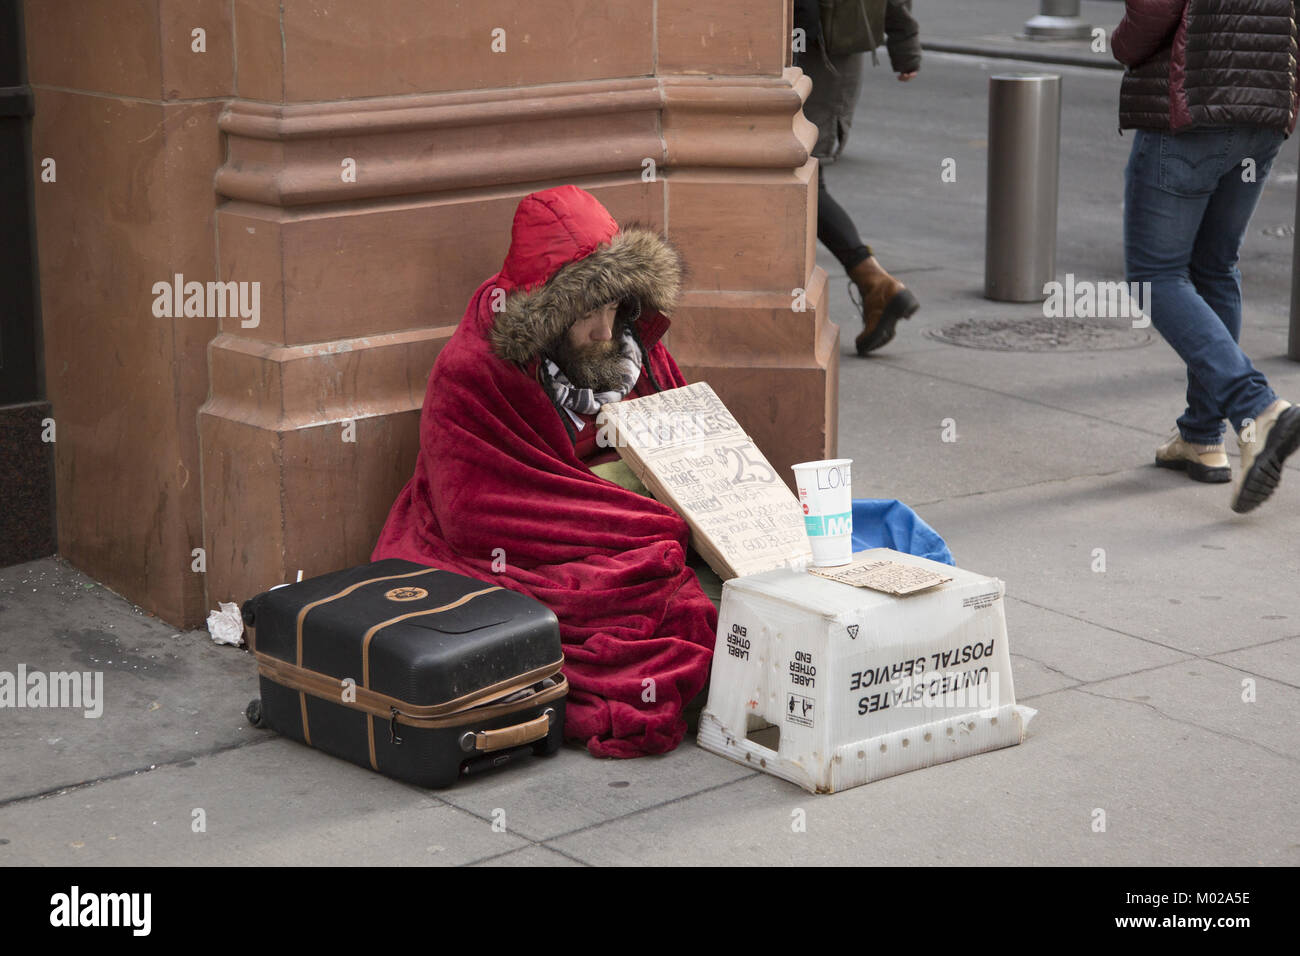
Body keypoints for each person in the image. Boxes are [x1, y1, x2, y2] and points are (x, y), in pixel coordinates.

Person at [371, 185, 717, 758]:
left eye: (614, 307)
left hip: (626, 518)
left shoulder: (629, 345)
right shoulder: (470, 370)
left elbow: (688, 442)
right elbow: (475, 511)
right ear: (547, 313)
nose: (607, 331)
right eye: (588, 314)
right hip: (536, 542)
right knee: (625, 612)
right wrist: (642, 510)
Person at [1114, 0, 1300, 512]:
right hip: (1264, 109)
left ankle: (1257, 408)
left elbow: (1152, 12)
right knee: (1215, 266)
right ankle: (1202, 435)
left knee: (1157, 275)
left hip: (1195, 107)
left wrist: (1120, 45)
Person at [793, 0, 922, 355]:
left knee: (801, 172)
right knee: (794, 172)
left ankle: (875, 281)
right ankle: (874, 283)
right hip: (797, 44)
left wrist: (904, 38)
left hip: (822, 48)